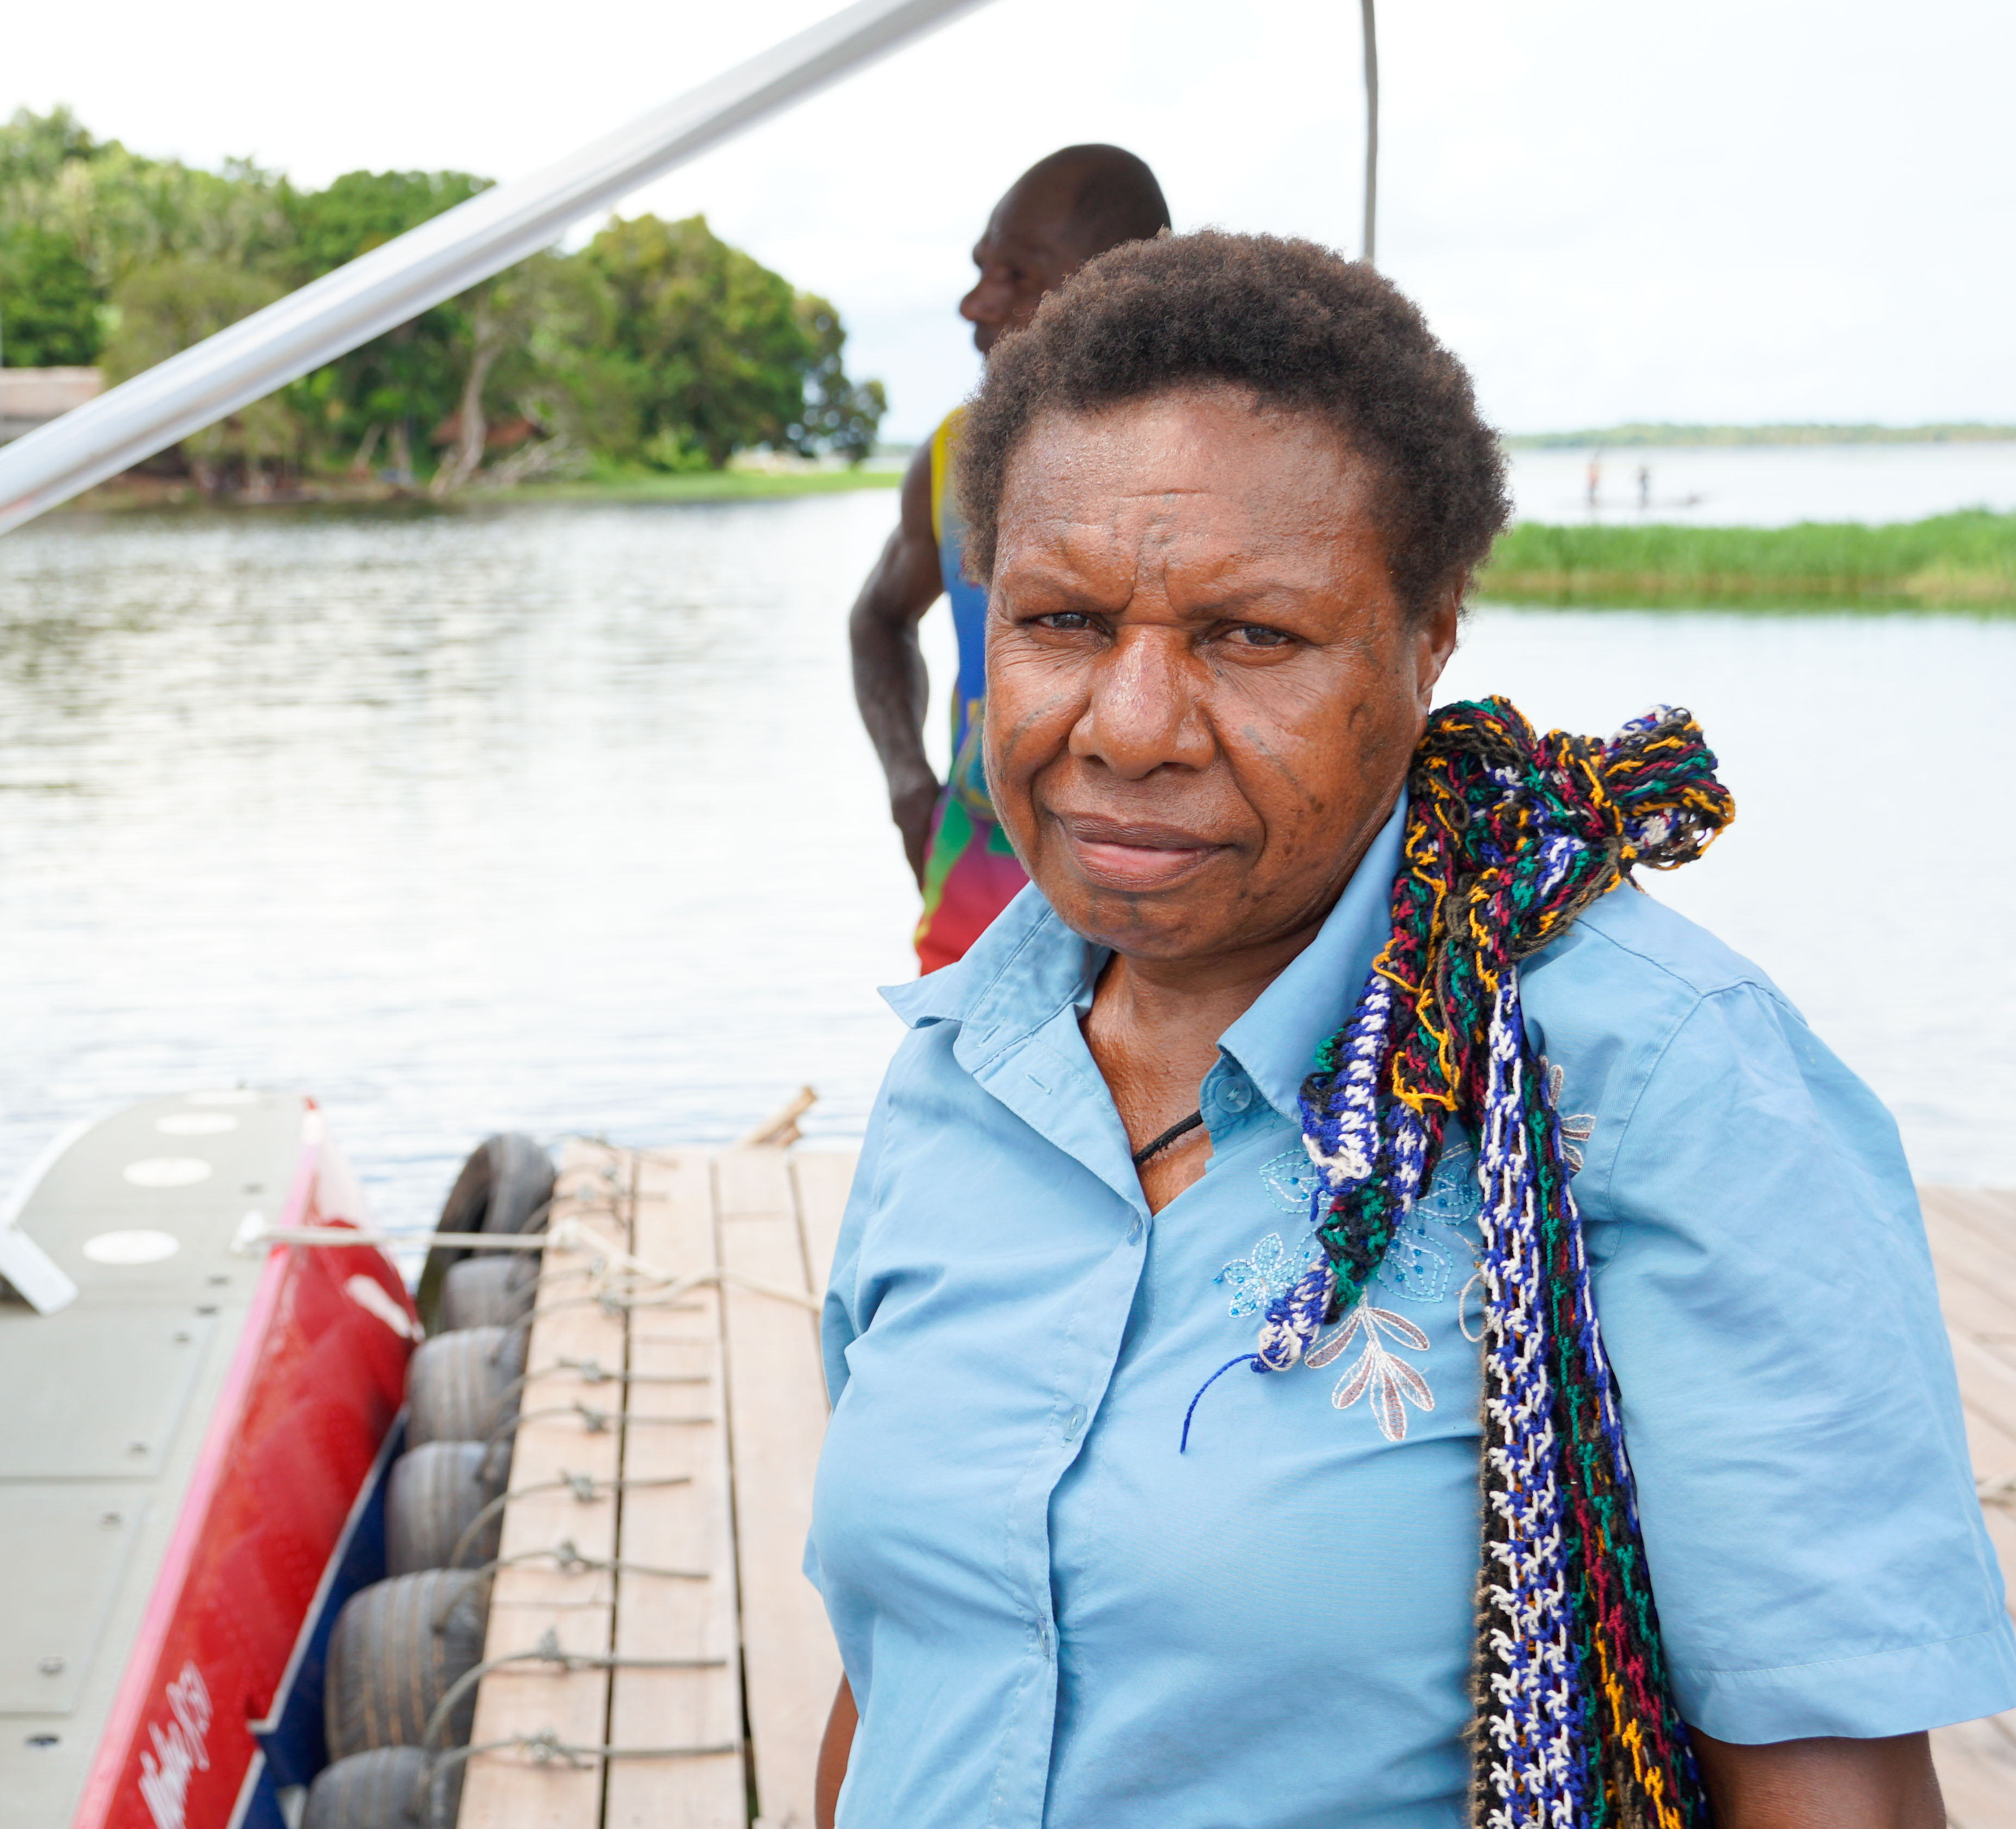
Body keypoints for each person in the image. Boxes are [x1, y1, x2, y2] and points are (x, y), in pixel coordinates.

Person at [807, 231, 2012, 1828]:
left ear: (1428, 634)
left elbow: (1832, 1798)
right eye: (1061, 623)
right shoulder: (969, 1065)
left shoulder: (1648, 1080)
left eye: (1253, 636)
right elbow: (909, 1671)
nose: (1131, 727)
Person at [849, 145, 1169, 976]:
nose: (974, 303)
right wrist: (909, 788)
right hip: (977, 889)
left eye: (1018, 276)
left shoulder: (1216, 474)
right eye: (980, 268)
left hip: (1160, 909)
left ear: (1123, 282)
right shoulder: (954, 457)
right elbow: (878, 619)